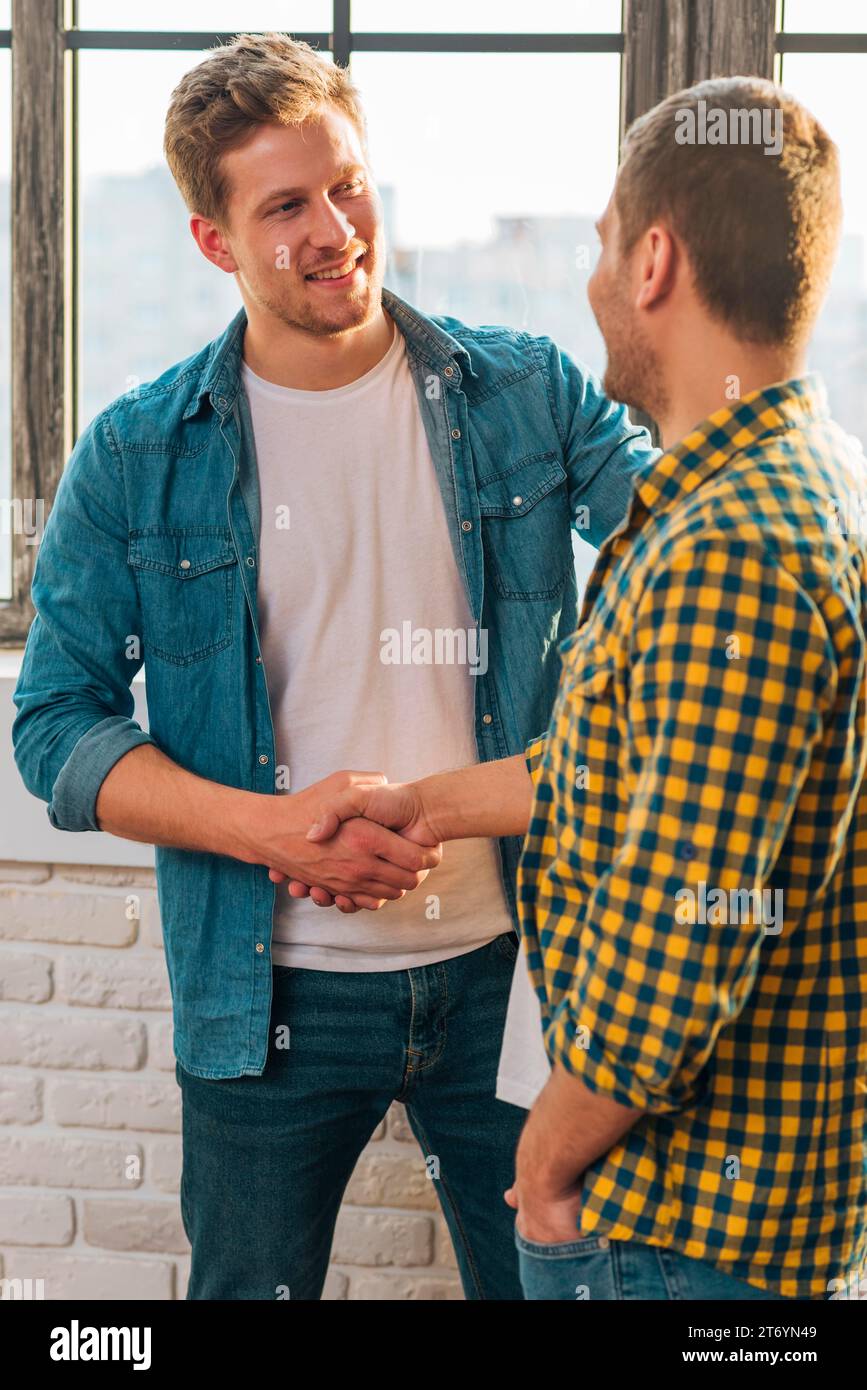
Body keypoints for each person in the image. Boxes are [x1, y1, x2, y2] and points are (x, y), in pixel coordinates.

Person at [11, 32, 656, 1300]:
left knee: (566, 1294)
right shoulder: (139, 452)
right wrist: (273, 833)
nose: (334, 228)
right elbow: (54, 728)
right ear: (215, 240)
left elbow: (692, 532)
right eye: (287, 205)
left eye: (347, 184)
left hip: (513, 979)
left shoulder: (523, 392)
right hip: (267, 1006)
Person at [292, 77, 867, 1302]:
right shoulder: (785, 485)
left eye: (604, 243)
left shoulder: (730, 549)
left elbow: (678, 942)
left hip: (680, 1229)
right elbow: (630, 769)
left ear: (655, 259)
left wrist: (547, 1168)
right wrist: (429, 806)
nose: (593, 273)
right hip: (716, 1222)